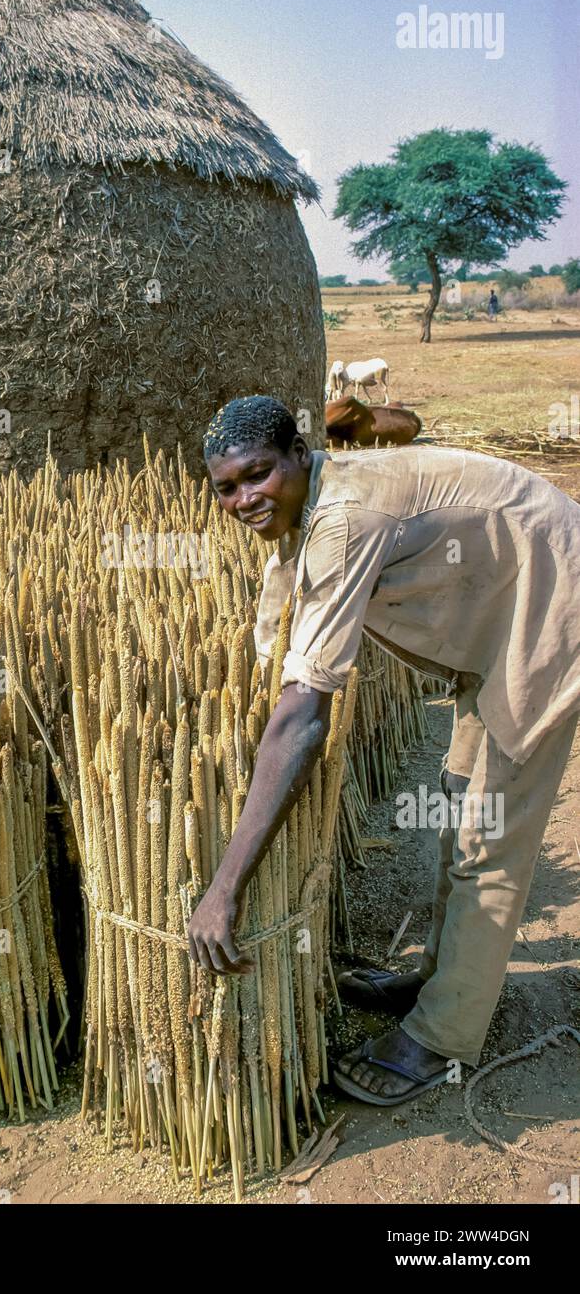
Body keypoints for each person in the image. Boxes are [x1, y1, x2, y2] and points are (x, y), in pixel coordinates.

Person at [188, 394, 580, 1106]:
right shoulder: (312, 505)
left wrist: (223, 889)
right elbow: (287, 629)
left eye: (258, 475)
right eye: (226, 487)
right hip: (499, 624)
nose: (245, 498)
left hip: (550, 616)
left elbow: (304, 716)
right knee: (459, 802)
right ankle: (440, 980)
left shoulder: (343, 520)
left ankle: (442, 1038)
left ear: (298, 456)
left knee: (487, 838)